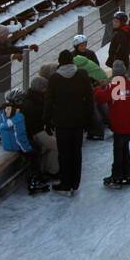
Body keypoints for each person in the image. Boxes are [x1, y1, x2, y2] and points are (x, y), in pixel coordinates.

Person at [45, 49, 93, 194]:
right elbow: (90, 99)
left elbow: (49, 102)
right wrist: (90, 119)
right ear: (72, 60)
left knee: (64, 154)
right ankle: (75, 182)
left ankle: (65, 183)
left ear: (59, 62)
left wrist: (47, 121)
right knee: (76, 152)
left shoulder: (54, 79)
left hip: (62, 123)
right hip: (79, 121)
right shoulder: (82, 75)